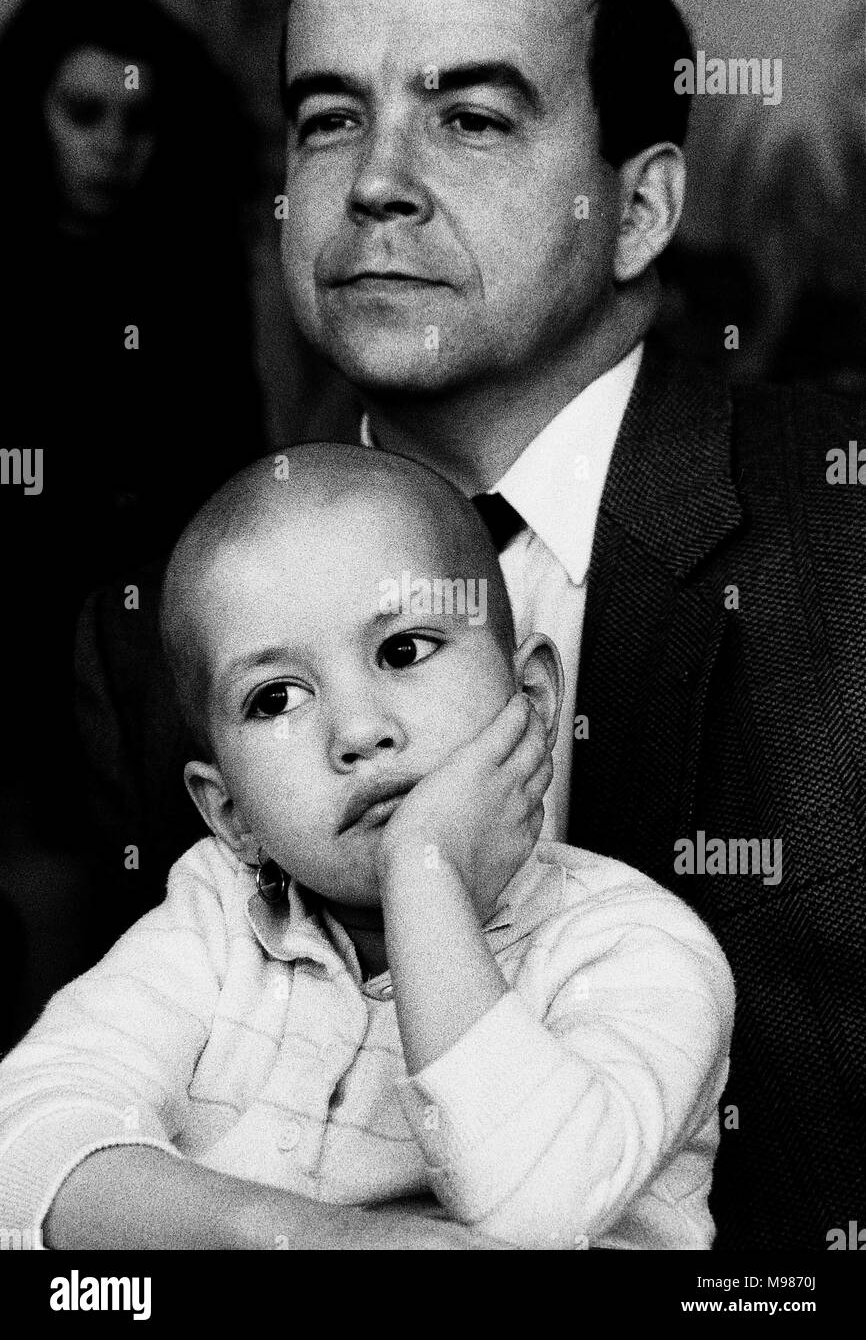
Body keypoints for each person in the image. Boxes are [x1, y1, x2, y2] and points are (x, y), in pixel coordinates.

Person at [73, 0, 866, 1249]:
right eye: (330, 116)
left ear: (639, 207)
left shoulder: (840, 531)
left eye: (469, 117)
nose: (375, 181)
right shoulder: (158, 633)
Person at [0, 444, 734, 1251]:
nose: (357, 732)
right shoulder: (218, 913)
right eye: (276, 697)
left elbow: (537, 1211)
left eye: (404, 650)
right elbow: (27, 1138)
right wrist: (299, 1238)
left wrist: (424, 875)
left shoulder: (631, 946)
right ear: (230, 813)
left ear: (531, 701)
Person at [0, 0, 264, 1040]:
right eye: (82, 113)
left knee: (129, 920)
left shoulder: (190, 276)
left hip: (142, 655)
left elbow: (232, 486)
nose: (113, 144)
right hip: (17, 649)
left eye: (139, 119)